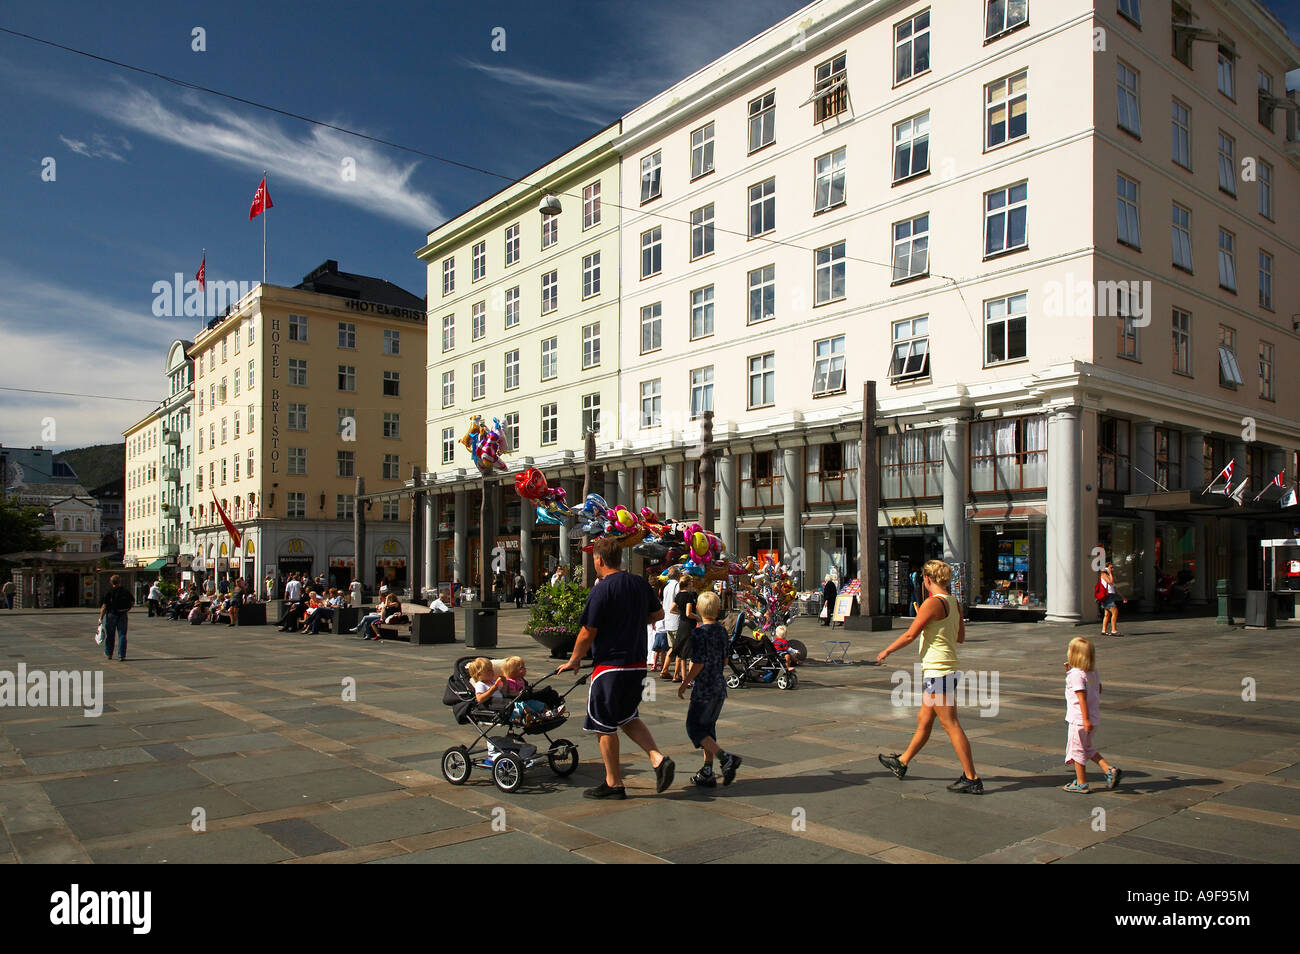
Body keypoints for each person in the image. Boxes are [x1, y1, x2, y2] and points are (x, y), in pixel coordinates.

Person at [557, 537, 674, 799]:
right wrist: (632, 620)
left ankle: (614, 783)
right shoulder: (639, 583)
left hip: (610, 667)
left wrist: (574, 659)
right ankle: (657, 758)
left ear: (598, 560)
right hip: (637, 665)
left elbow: (588, 631)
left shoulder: (601, 589)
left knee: (604, 724)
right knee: (627, 716)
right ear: (618, 558)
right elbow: (658, 615)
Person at [876, 559, 983, 794]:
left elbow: (909, 635)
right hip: (947, 669)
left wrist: (887, 651)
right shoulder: (954, 603)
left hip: (938, 671)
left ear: (926, 580)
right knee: (924, 721)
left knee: (951, 724)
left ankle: (972, 777)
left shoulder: (932, 603)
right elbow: (961, 637)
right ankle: (902, 762)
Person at [678, 590, 742, 787]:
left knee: (694, 728)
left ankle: (725, 758)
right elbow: (724, 660)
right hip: (719, 686)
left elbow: (697, 662)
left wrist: (685, 682)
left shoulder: (699, 633)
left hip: (704, 688)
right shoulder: (722, 631)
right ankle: (707, 770)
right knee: (708, 728)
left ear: (698, 608)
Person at [1062, 636, 1121, 793]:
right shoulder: (1092, 672)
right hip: (1093, 717)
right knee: (1087, 747)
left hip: (1079, 719)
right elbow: (1098, 689)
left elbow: (1081, 697)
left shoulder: (1075, 675)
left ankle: (1081, 782)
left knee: (1077, 750)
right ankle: (1109, 770)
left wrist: (1085, 719)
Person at [99, 574, 134, 662]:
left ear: (111, 582)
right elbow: (132, 601)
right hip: (122, 614)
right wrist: (127, 609)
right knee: (122, 635)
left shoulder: (109, 592)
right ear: (120, 581)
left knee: (110, 635)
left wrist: (101, 618)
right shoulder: (125, 591)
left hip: (111, 614)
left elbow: (104, 606)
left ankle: (109, 653)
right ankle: (122, 655)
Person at [670, 577, 699, 683]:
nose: (692, 582)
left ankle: (684, 678)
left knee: (682, 654)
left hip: (681, 625)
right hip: (688, 625)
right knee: (690, 652)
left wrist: (680, 613)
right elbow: (688, 613)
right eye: (691, 581)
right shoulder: (689, 596)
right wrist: (697, 617)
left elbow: (672, 609)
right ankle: (689, 679)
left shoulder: (678, 595)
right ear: (687, 583)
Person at [659, 567, 681, 680]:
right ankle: (676, 674)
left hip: (668, 620)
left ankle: (665, 669)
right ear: (678, 575)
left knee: (672, 647)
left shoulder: (666, 587)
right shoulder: (677, 586)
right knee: (678, 648)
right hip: (676, 618)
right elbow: (679, 600)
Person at [1098, 562, 1125, 637]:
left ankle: (1104, 630)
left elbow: (1114, 588)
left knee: (1107, 614)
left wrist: (1122, 597)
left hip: (1111, 595)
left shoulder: (1109, 575)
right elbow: (1110, 582)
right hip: (1107, 596)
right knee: (1115, 612)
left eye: (1112, 567)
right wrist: (1110, 574)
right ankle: (1114, 630)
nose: (1112, 569)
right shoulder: (1103, 575)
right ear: (1106, 568)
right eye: (1111, 567)